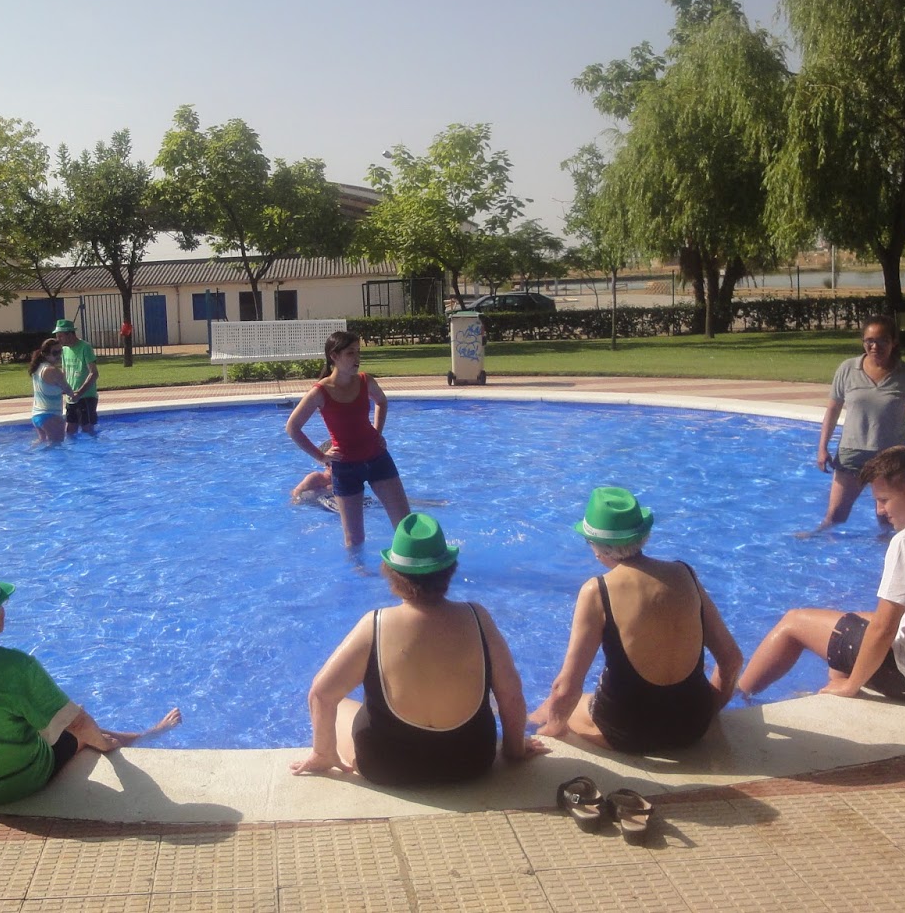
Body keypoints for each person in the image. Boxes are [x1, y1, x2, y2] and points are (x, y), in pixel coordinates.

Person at [291, 514, 546, 785]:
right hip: (471, 762)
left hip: (387, 767)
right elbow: (512, 695)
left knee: (341, 702)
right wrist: (514, 751)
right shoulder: (478, 617)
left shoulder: (375, 624)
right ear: (449, 570)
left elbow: (321, 694)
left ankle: (323, 754)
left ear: (391, 574)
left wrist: (323, 752)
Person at [739, 449, 905, 702]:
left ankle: (737, 696)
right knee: (851, 621)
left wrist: (851, 686)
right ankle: (833, 686)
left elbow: (884, 628)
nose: (879, 511)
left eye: (883, 500)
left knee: (794, 622)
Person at [0, 562, 181, 807]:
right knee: (79, 725)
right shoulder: (16, 667)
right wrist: (102, 742)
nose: (3, 610)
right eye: (0, 606)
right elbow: (78, 724)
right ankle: (147, 735)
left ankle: (138, 734)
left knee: (30, 716)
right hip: (11, 784)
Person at [530, 487, 743, 753]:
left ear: (596, 548)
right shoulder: (684, 573)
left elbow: (566, 687)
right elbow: (732, 658)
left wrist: (553, 731)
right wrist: (711, 709)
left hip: (627, 732)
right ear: (643, 535)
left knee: (550, 705)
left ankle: (530, 722)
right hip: (693, 727)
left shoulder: (597, 591)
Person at [285, 330, 411, 547]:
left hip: (378, 459)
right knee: (355, 539)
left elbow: (381, 401)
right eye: (351, 353)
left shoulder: (365, 381)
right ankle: (360, 577)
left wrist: (377, 432)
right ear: (334, 356)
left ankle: (411, 569)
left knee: (405, 525)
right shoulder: (320, 392)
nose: (357, 358)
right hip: (345, 468)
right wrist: (321, 456)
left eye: (358, 352)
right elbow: (292, 427)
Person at [813, 314, 905, 530]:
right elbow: (832, 410)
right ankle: (819, 542)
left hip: (892, 455)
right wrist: (822, 448)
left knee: (887, 517)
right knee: (835, 515)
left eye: (882, 340)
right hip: (853, 450)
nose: (875, 346)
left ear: (894, 342)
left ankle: (887, 554)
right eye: (870, 341)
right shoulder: (848, 369)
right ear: (863, 342)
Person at [53, 319, 99, 436]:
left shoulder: (85, 347)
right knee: (70, 430)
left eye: (61, 336)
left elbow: (93, 373)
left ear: (70, 334)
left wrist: (80, 392)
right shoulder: (64, 349)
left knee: (87, 429)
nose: (58, 339)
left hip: (86, 397)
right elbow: (65, 371)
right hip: (71, 397)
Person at [28, 338, 68, 445]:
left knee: (42, 442)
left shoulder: (37, 368)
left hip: (37, 415)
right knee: (56, 446)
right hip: (51, 416)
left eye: (60, 352)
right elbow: (70, 391)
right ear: (45, 354)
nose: (59, 355)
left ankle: (28, 457)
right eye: (55, 353)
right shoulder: (52, 370)